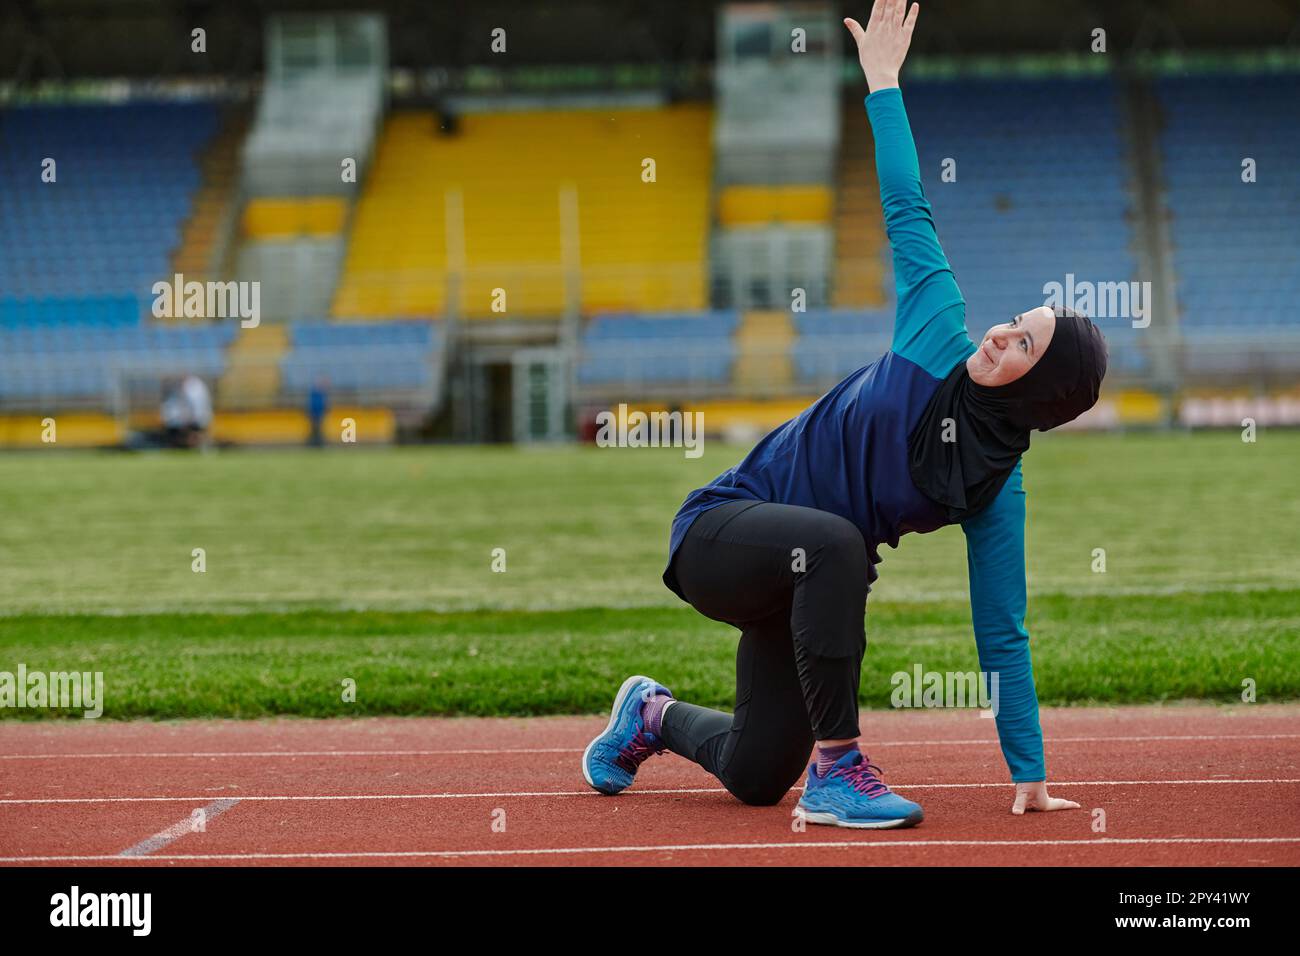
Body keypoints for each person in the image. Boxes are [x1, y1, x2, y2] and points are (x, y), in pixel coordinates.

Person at [582, 0, 1106, 829]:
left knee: (755, 776)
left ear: (1036, 396)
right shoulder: (938, 325)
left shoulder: (995, 490)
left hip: (802, 581)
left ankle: (649, 715)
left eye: (1024, 346)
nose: (1002, 332)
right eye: (1017, 319)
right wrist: (883, 83)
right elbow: (907, 203)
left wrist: (1030, 771)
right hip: (719, 533)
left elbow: (1003, 634)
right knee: (836, 543)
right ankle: (839, 770)